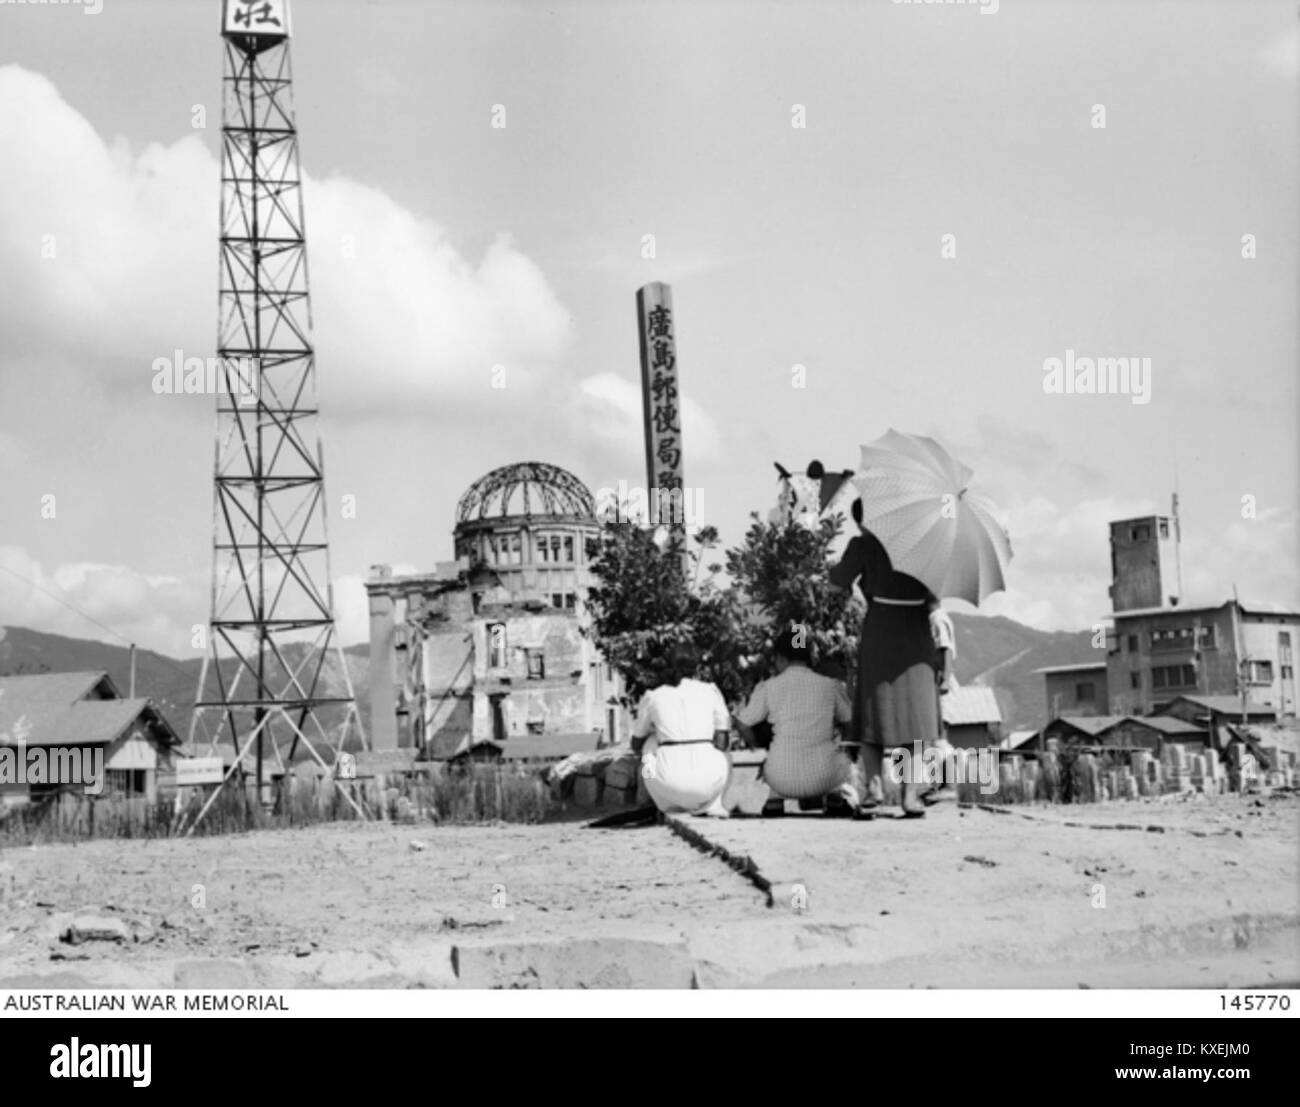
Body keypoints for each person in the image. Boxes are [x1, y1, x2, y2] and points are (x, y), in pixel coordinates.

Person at [829, 498, 939, 818]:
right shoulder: (921, 545)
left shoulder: (862, 545)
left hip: (880, 630)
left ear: (864, 521)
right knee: (915, 718)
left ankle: (874, 787)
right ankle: (909, 796)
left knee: (874, 711)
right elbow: (934, 598)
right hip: (917, 634)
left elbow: (835, 584)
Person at [732, 625, 860, 815]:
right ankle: (834, 796)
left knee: (778, 750)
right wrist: (845, 750)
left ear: (782, 658)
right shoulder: (830, 685)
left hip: (781, 778)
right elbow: (850, 721)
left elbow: (742, 724)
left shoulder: (768, 687)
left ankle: (774, 800)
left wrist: (756, 746)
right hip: (826, 776)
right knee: (839, 757)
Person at [631, 641, 732, 818]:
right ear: (698, 668)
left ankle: (664, 804)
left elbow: (635, 743)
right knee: (725, 754)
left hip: (667, 785)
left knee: (649, 745)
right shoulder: (711, 691)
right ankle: (714, 804)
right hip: (708, 784)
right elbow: (722, 742)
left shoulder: (654, 696)